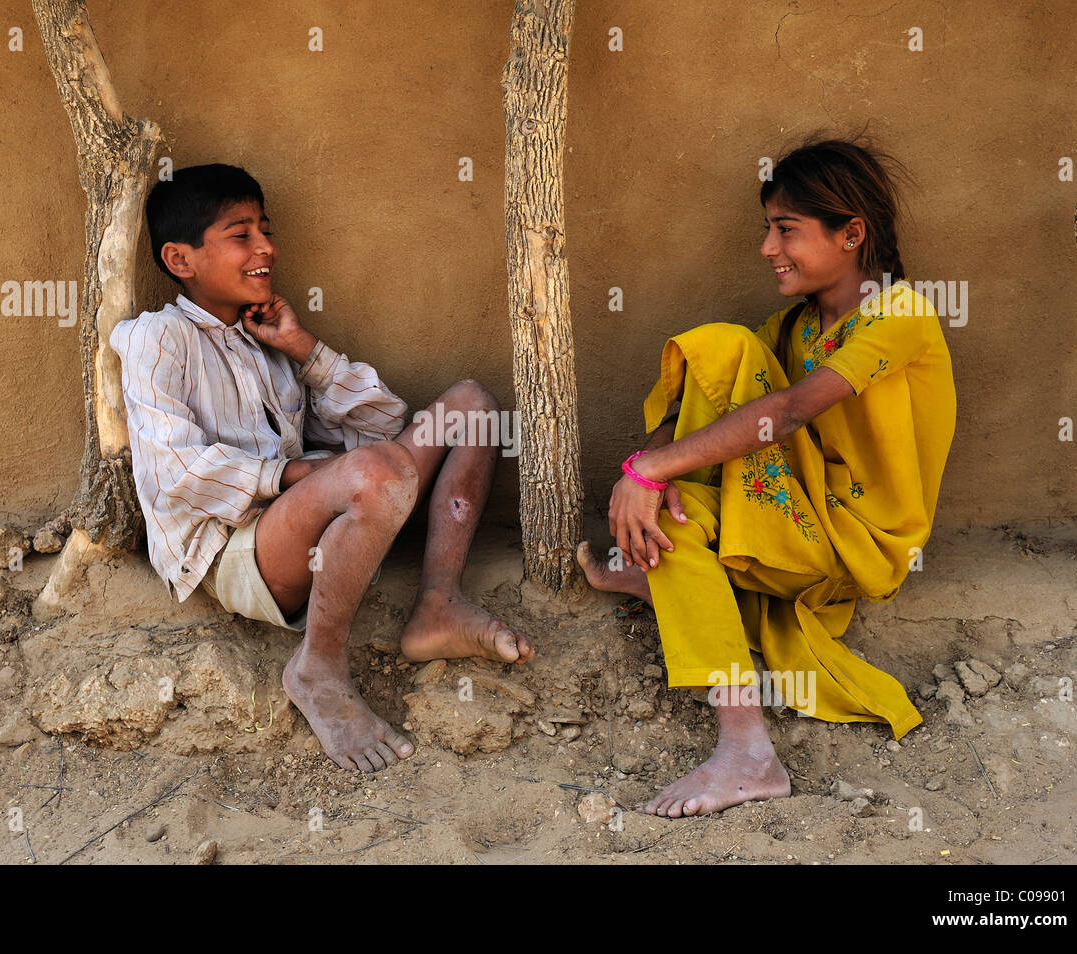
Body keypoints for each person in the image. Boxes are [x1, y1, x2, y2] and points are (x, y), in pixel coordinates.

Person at [110, 163, 532, 774]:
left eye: (266, 230)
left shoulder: (265, 340)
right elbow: (173, 469)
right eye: (240, 234)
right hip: (236, 550)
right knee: (375, 474)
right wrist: (293, 477)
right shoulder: (159, 339)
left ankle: (438, 604)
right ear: (181, 260)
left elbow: (382, 426)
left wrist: (303, 349)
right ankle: (319, 668)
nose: (266, 248)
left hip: (307, 521)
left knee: (470, 406)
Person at [578, 138, 956, 817]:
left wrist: (647, 467)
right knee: (717, 368)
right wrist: (649, 471)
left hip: (852, 542)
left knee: (727, 358)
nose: (767, 248)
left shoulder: (900, 315)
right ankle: (661, 571)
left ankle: (748, 754)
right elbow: (716, 397)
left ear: (851, 233)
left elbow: (784, 415)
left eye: (786, 230)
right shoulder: (797, 327)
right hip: (796, 516)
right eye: (767, 229)